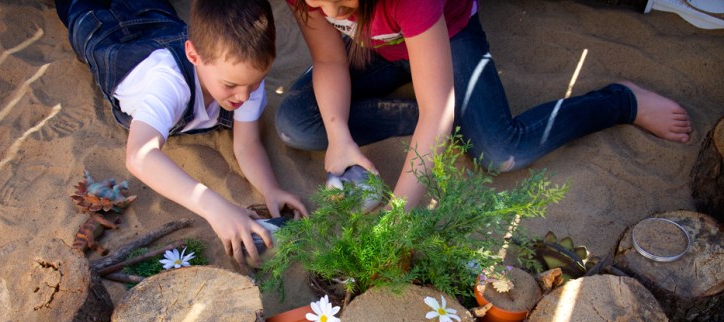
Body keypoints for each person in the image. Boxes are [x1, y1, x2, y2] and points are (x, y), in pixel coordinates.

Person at [275, 0, 693, 209]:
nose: (326, 10)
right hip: (376, 49)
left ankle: (621, 101)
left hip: (448, 38)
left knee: (500, 152)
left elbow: (438, 109)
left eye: (340, 3)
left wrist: (398, 217)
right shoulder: (319, 1)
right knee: (297, 123)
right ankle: (427, 118)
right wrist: (339, 135)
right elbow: (330, 59)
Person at [56, 0, 308, 265]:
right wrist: (215, 207)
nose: (244, 96)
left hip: (155, 15)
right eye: (230, 85)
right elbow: (140, 156)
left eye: (255, 83)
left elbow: (247, 145)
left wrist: (271, 189)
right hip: (105, 26)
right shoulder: (170, 82)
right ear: (194, 55)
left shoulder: (243, 76)